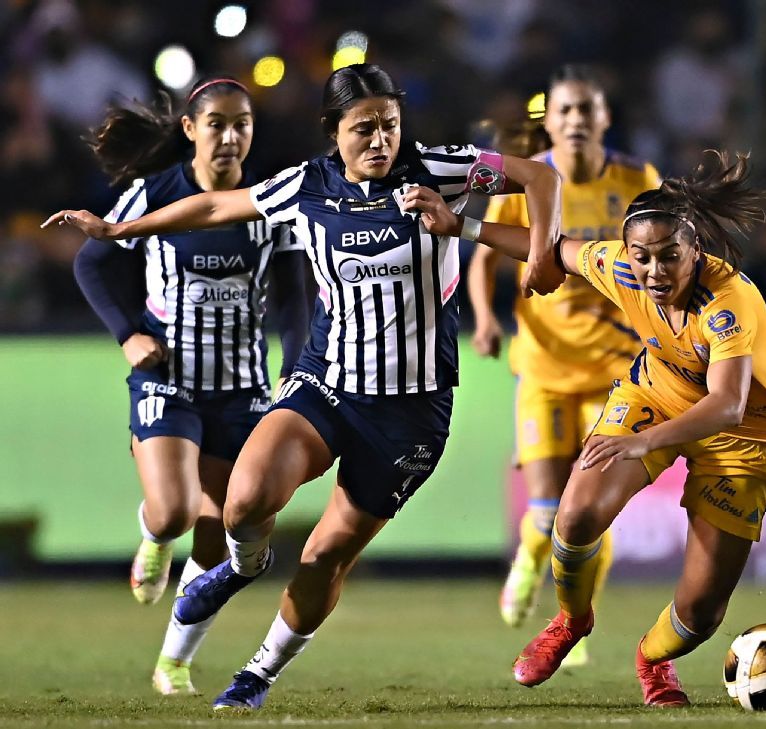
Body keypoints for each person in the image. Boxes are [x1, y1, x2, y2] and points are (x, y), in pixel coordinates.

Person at [45, 63, 563, 711]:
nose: (381, 141)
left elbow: (541, 176)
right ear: (333, 132)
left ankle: (258, 672)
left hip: (409, 414)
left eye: (390, 126)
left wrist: (541, 250)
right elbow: (212, 205)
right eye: (364, 129)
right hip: (326, 386)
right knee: (244, 501)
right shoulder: (303, 186)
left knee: (322, 558)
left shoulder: (443, 170)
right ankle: (241, 565)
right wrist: (123, 230)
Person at [422, 150, 766, 706]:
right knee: (576, 513)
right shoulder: (619, 266)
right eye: (642, 258)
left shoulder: (730, 301)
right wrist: (459, 225)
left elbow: (727, 404)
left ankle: (651, 659)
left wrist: (639, 443)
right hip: (654, 397)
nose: (654, 272)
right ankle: (571, 620)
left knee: (702, 612)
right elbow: (550, 249)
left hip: (739, 433)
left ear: (694, 251)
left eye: (668, 258)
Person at [70, 76, 309, 695]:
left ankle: (172, 661)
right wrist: (128, 335)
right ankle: (153, 536)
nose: (231, 137)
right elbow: (91, 260)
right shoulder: (153, 195)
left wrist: (296, 363)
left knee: (229, 532)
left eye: (243, 124)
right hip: (168, 380)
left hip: (243, 388)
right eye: (217, 124)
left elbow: (292, 292)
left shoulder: (268, 203)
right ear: (190, 130)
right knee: (176, 512)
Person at [467, 65, 661, 665]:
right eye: (565, 111)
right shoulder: (530, 181)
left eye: (587, 110)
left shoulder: (637, 178)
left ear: (605, 118)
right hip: (546, 365)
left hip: (617, 372)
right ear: (547, 120)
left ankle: (568, 623)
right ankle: (529, 557)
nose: (576, 120)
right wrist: (484, 317)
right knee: (548, 510)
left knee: (589, 512)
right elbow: (485, 256)